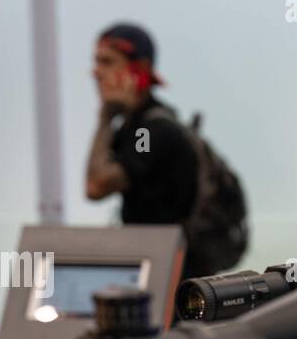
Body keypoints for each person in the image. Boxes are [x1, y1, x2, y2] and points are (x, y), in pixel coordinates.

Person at [86, 22, 247, 279]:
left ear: (140, 70)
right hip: (164, 269)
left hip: (175, 279)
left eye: (108, 62)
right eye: (96, 62)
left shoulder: (149, 131)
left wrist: (105, 117)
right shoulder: (137, 127)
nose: (95, 72)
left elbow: (96, 185)